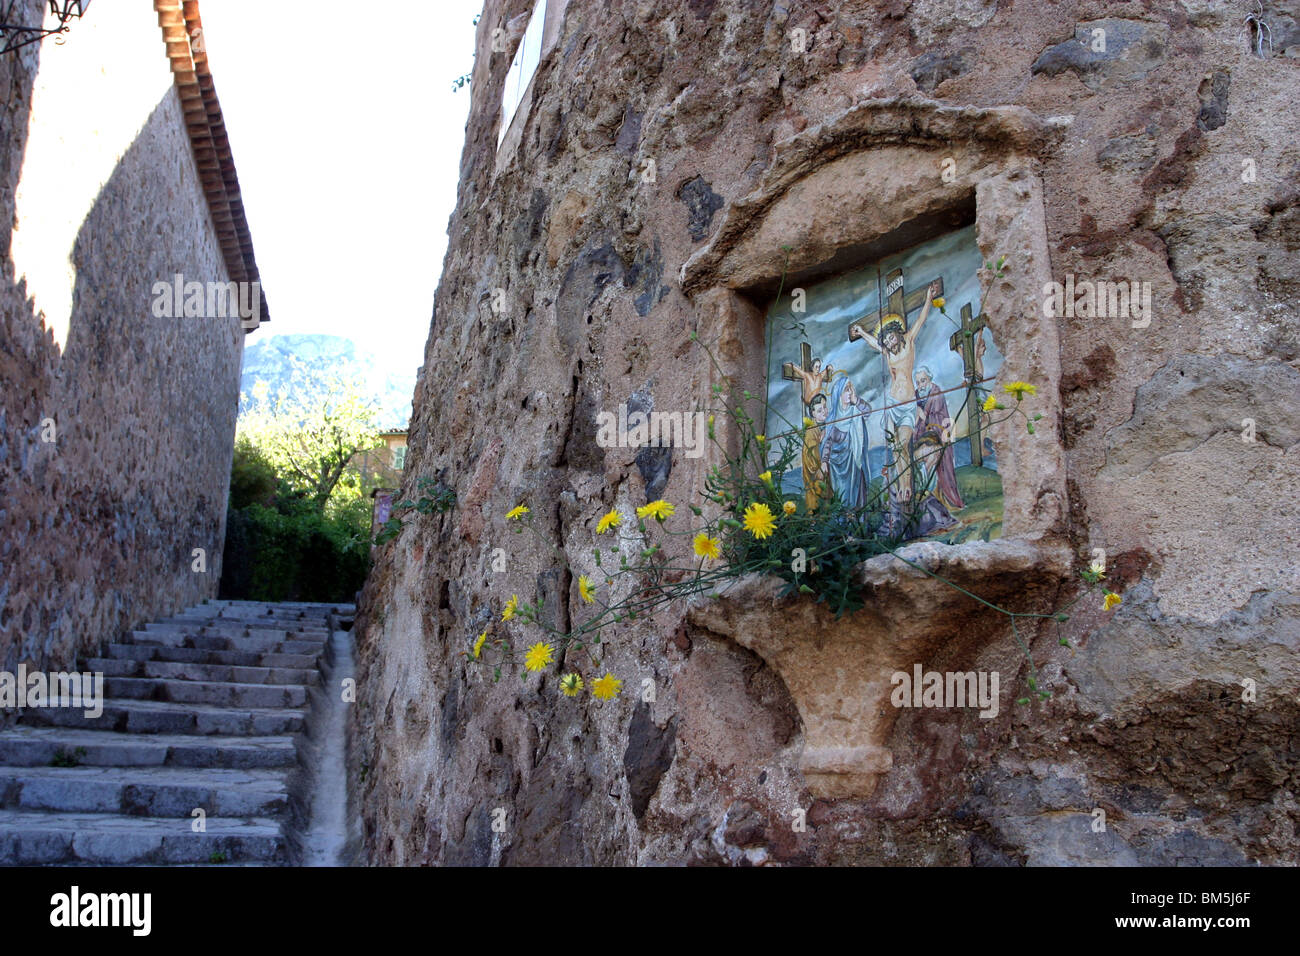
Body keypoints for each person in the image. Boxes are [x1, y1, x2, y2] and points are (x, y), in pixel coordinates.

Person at [849, 280, 942, 501]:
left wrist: (928, 298)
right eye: (886, 340)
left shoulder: (909, 342)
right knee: (896, 449)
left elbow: (920, 320)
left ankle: (907, 487)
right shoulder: (888, 353)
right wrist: (862, 332)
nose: (888, 342)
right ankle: (902, 488)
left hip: (908, 404)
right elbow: (874, 343)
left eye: (890, 337)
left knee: (902, 445)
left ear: (898, 334)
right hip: (893, 403)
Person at [910, 366, 964, 513]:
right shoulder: (916, 394)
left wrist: (922, 415)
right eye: (918, 382)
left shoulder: (936, 392)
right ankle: (926, 497)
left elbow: (937, 417)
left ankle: (942, 498)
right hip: (922, 438)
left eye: (923, 381)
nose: (920, 385)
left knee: (939, 464)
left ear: (930, 379)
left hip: (938, 436)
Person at [819, 375, 873, 510]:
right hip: (837, 467)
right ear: (838, 394)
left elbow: (868, 411)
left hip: (853, 462)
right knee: (840, 498)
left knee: (856, 497)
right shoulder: (832, 417)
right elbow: (828, 442)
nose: (850, 393)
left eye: (851, 389)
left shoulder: (855, 410)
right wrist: (824, 460)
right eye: (846, 390)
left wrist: (856, 400)